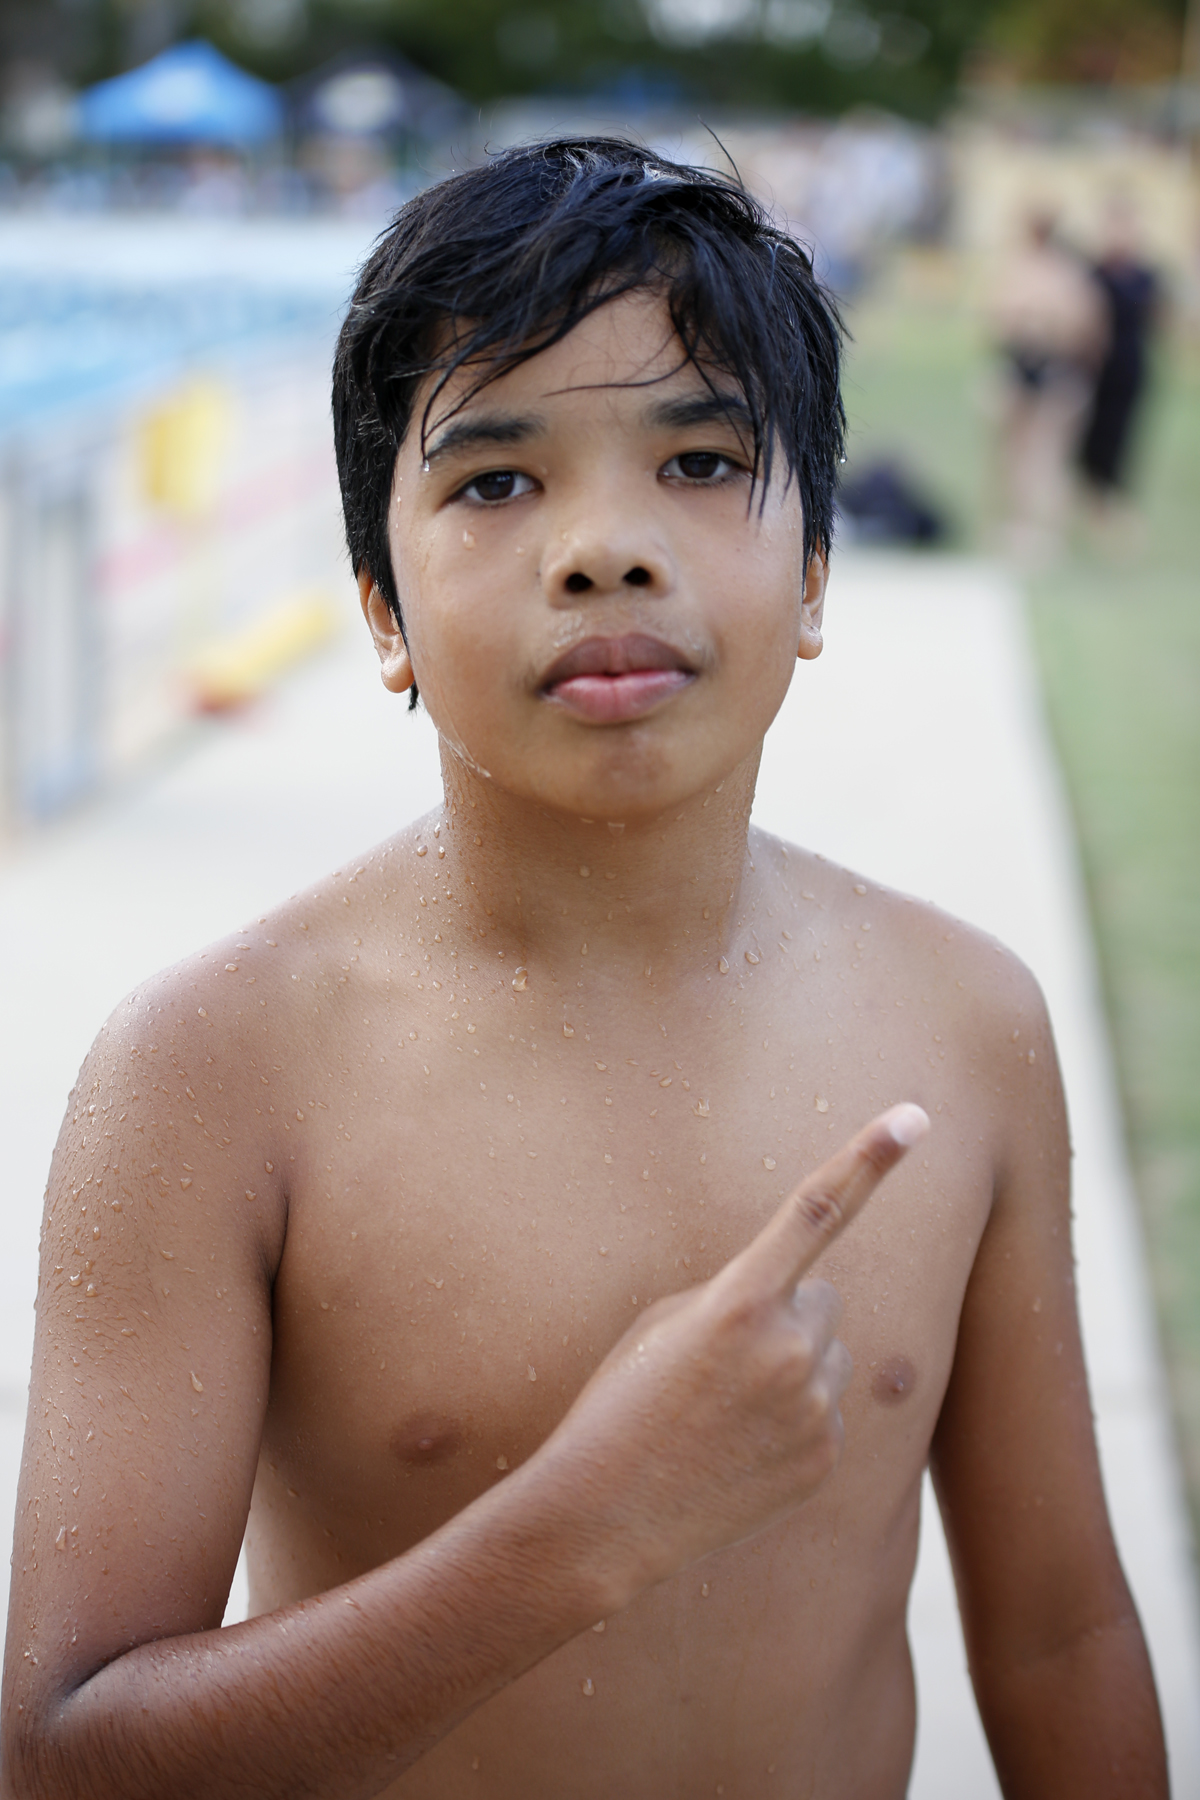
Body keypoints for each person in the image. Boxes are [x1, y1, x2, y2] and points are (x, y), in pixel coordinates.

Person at [2, 140, 1166, 1799]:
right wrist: (587, 1528)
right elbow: (64, 1753)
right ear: (381, 612)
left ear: (819, 568)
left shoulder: (966, 1027)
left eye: (699, 459)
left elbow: (1063, 1640)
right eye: (495, 481)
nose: (606, 549)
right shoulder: (212, 1075)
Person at [989, 208, 1108, 562]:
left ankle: (1047, 531)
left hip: (1057, 369)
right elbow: (997, 317)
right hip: (1019, 366)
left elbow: (1084, 326)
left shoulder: (1068, 274)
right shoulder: (1016, 267)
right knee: (1015, 452)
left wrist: (1045, 324)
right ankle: (1018, 525)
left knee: (1049, 454)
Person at [1078, 203, 1159, 511]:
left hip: (1131, 364)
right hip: (1093, 367)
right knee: (1090, 435)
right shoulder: (1092, 272)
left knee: (1122, 436)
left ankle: (1111, 499)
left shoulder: (1147, 275)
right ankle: (1089, 497)